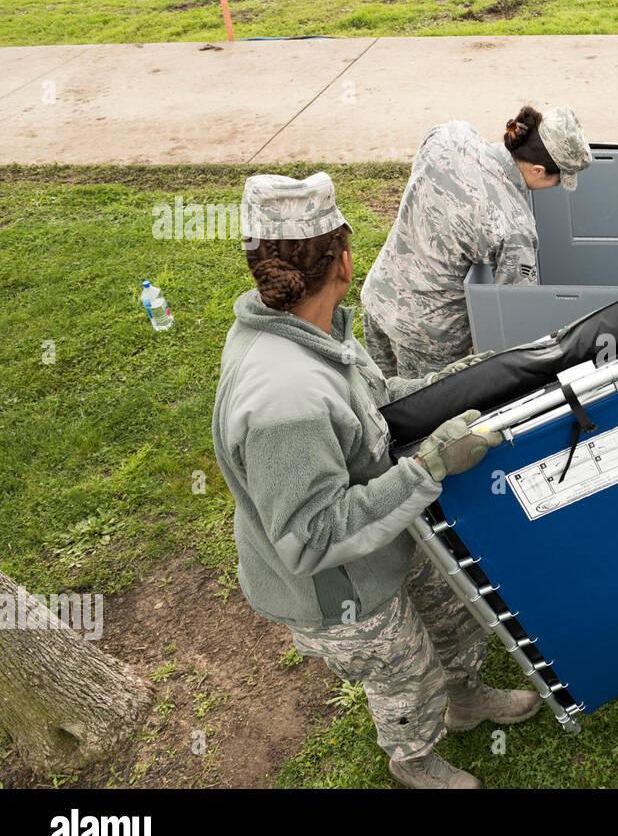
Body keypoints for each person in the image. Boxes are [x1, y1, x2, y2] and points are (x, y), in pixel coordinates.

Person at [213, 172, 542, 790]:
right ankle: (415, 762)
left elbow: (377, 406)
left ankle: (467, 699)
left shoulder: (319, 331)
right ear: (343, 258)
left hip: (384, 534)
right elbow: (311, 537)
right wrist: (430, 467)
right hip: (334, 587)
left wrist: (460, 382)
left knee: (453, 612)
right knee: (405, 674)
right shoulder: (285, 398)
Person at [361, 105, 592, 378]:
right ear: (538, 170)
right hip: (430, 340)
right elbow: (515, 311)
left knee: (380, 406)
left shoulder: (451, 134)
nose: (555, 188)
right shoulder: (514, 225)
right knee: (422, 416)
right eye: (557, 180)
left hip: (378, 297)